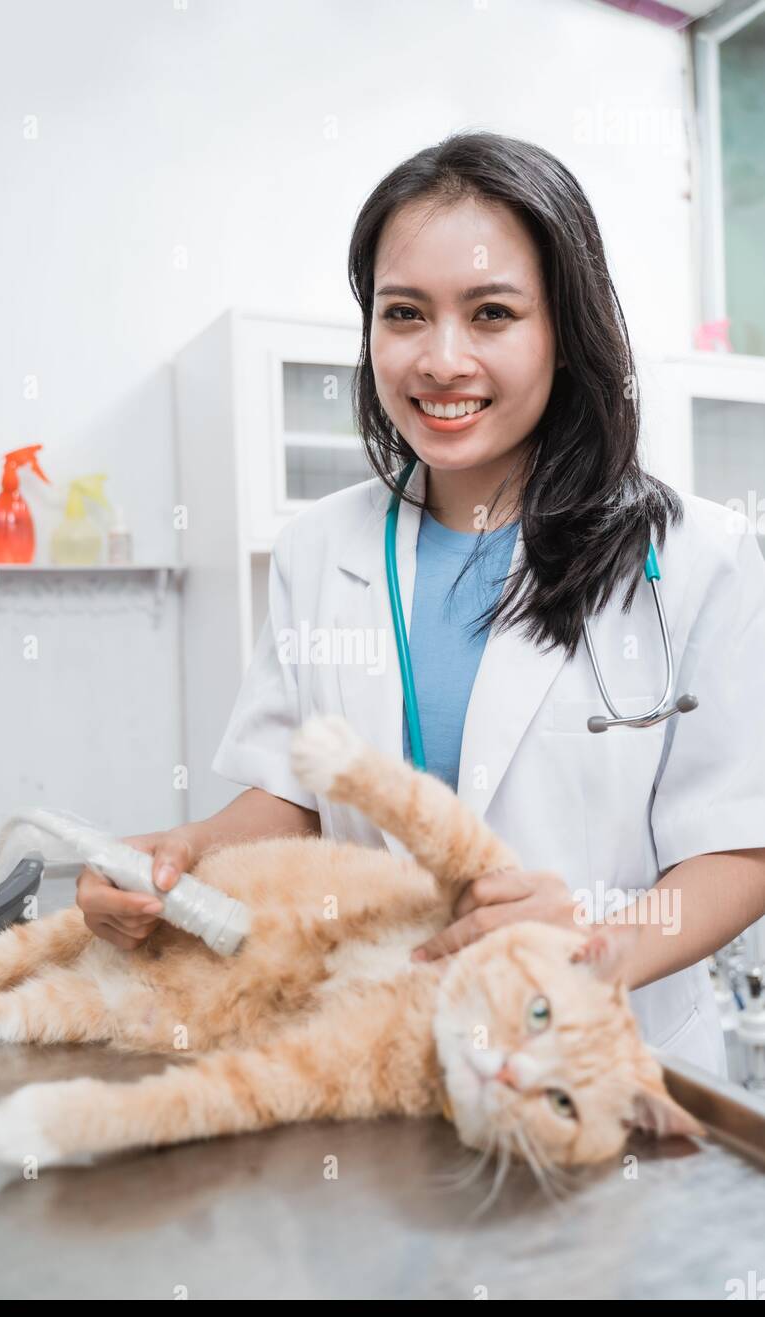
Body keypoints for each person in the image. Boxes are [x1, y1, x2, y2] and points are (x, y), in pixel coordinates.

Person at [77, 131, 765, 1075]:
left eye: (491, 313)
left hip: (606, 1061)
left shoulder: (696, 557)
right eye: (406, 313)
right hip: (381, 1050)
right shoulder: (321, 550)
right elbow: (300, 795)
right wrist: (183, 855)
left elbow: (739, 849)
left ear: (564, 333)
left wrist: (599, 946)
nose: (442, 360)